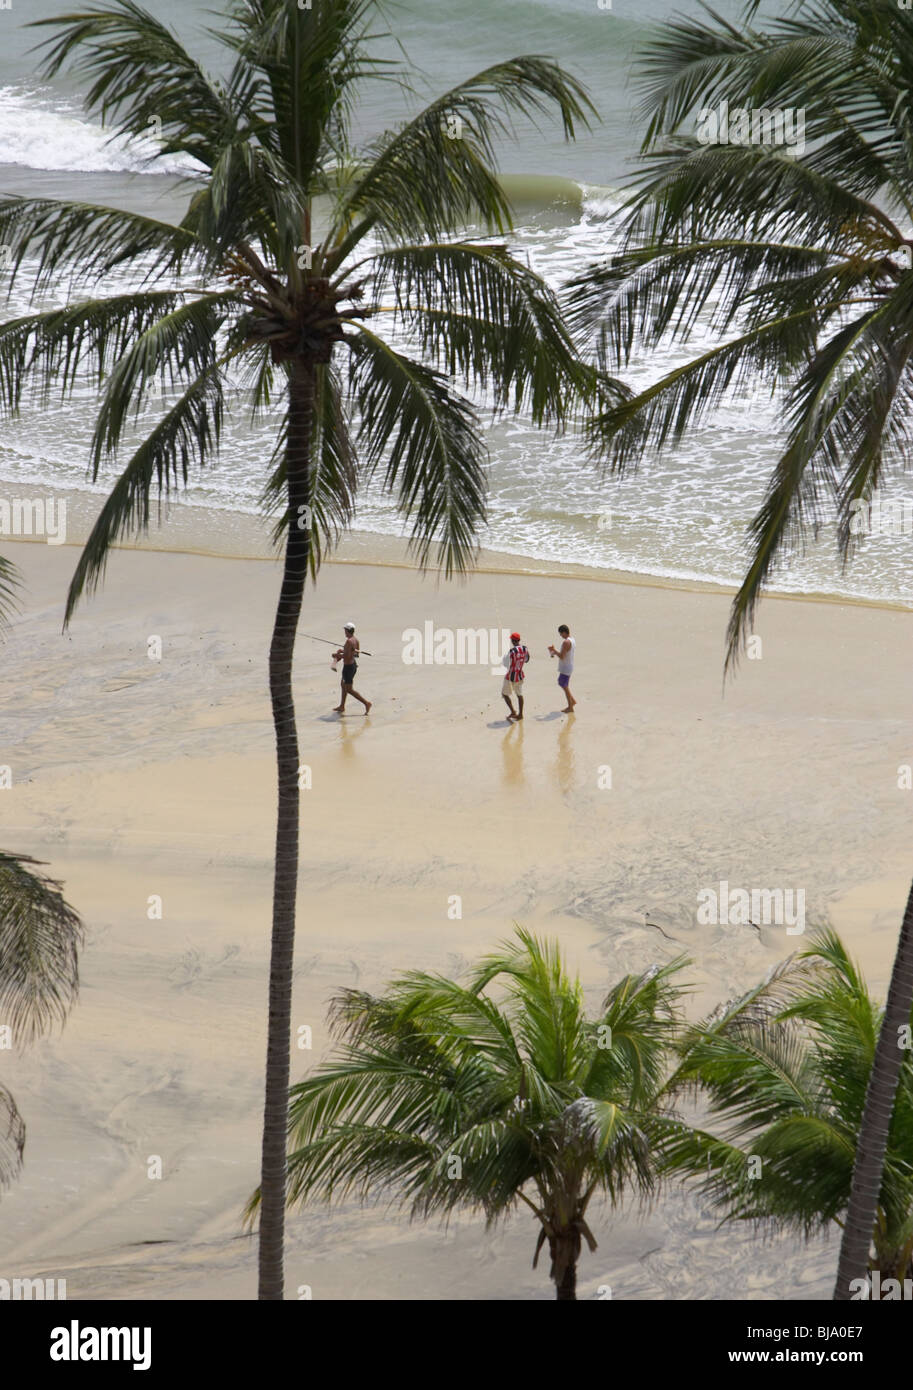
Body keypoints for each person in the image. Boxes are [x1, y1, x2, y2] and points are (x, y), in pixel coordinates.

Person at [332, 622, 371, 715]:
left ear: (347, 631)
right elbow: (356, 655)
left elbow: (346, 657)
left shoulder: (349, 641)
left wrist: (336, 655)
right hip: (353, 666)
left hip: (348, 668)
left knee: (349, 689)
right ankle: (342, 706)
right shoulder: (356, 640)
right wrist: (345, 651)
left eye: (345, 630)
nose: (344, 632)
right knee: (343, 684)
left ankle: (367, 703)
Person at [501, 630, 529, 721]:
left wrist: (505, 657)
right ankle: (520, 714)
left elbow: (505, 664)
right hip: (520, 675)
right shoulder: (525, 649)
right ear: (519, 640)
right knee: (519, 695)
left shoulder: (512, 651)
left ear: (513, 641)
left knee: (505, 694)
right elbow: (527, 660)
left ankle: (513, 711)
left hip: (510, 677)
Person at [548, 624, 576, 712]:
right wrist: (554, 651)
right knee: (563, 684)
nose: (560, 636)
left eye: (560, 634)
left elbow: (562, 656)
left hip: (566, 667)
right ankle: (572, 701)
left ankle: (570, 706)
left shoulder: (566, 642)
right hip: (569, 666)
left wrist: (554, 650)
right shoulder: (572, 639)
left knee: (564, 685)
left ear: (564, 632)